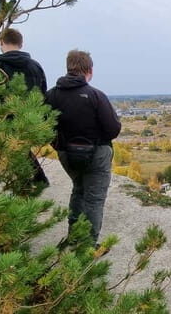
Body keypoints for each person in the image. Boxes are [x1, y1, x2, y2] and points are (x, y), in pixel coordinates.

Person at [45, 50, 121, 245]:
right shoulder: (95, 96)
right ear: (89, 70)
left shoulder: (51, 96)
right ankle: (88, 247)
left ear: (69, 68)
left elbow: (43, 127)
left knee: (78, 190)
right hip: (97, 154)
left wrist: (59, 145)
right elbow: (113, 129)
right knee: (94, 199)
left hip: (65, 154)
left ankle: (73, 237)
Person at [0, 28, 49, 188]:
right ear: (21, 44)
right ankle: (35, 180)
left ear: (0, 43)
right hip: (28, 118)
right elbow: (42, 94)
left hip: (1, 117)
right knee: (22, 148)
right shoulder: (35, 66)